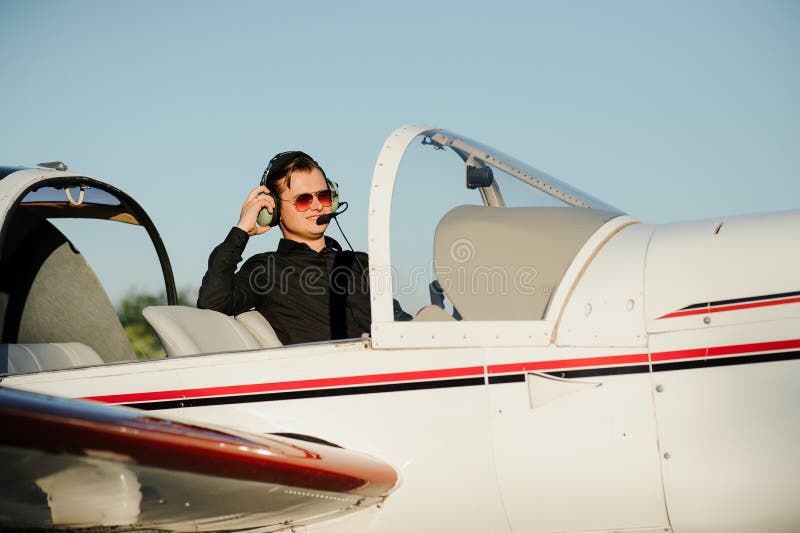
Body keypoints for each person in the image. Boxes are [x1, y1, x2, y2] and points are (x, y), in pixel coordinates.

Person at [197, 151, 410, 345]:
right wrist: (241, 230)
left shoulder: (361, 263)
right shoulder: (265, 269)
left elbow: (400, 321)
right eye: (303, 200)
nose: (317, 206)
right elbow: (213, 302)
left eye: (324, 196)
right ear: (274, 209)